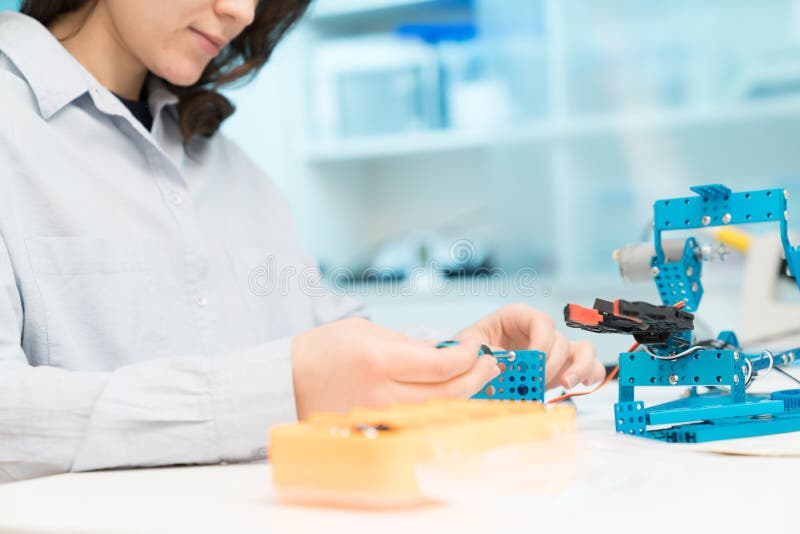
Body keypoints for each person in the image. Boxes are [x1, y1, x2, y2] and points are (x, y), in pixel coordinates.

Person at [0, 0, 605, 482]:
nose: (241, 10)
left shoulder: (230, 168)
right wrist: (282, 390)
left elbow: (330, 345)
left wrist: (459, 358)